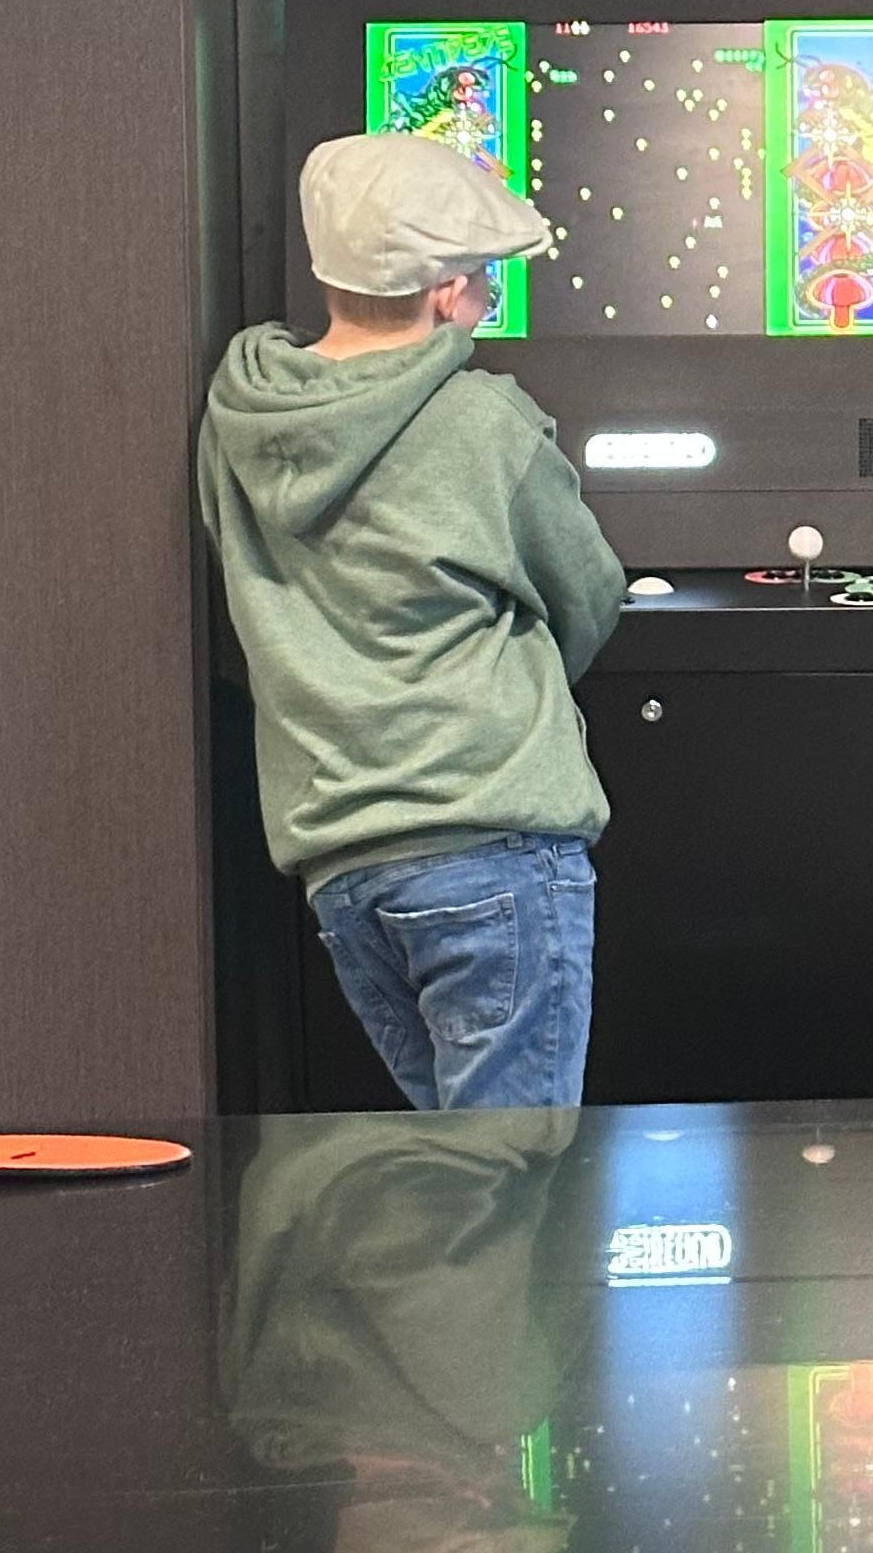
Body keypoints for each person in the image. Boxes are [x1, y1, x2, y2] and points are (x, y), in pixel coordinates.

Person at [200, 130, 626, 1109]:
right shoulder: (481, 422)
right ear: (443, 291)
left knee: (457, 1171)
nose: (486, 303)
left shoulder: (242, 418)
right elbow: (589, 593)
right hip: (492, 841)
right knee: (512, 1177)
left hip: (344, 867)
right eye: (485, 281)